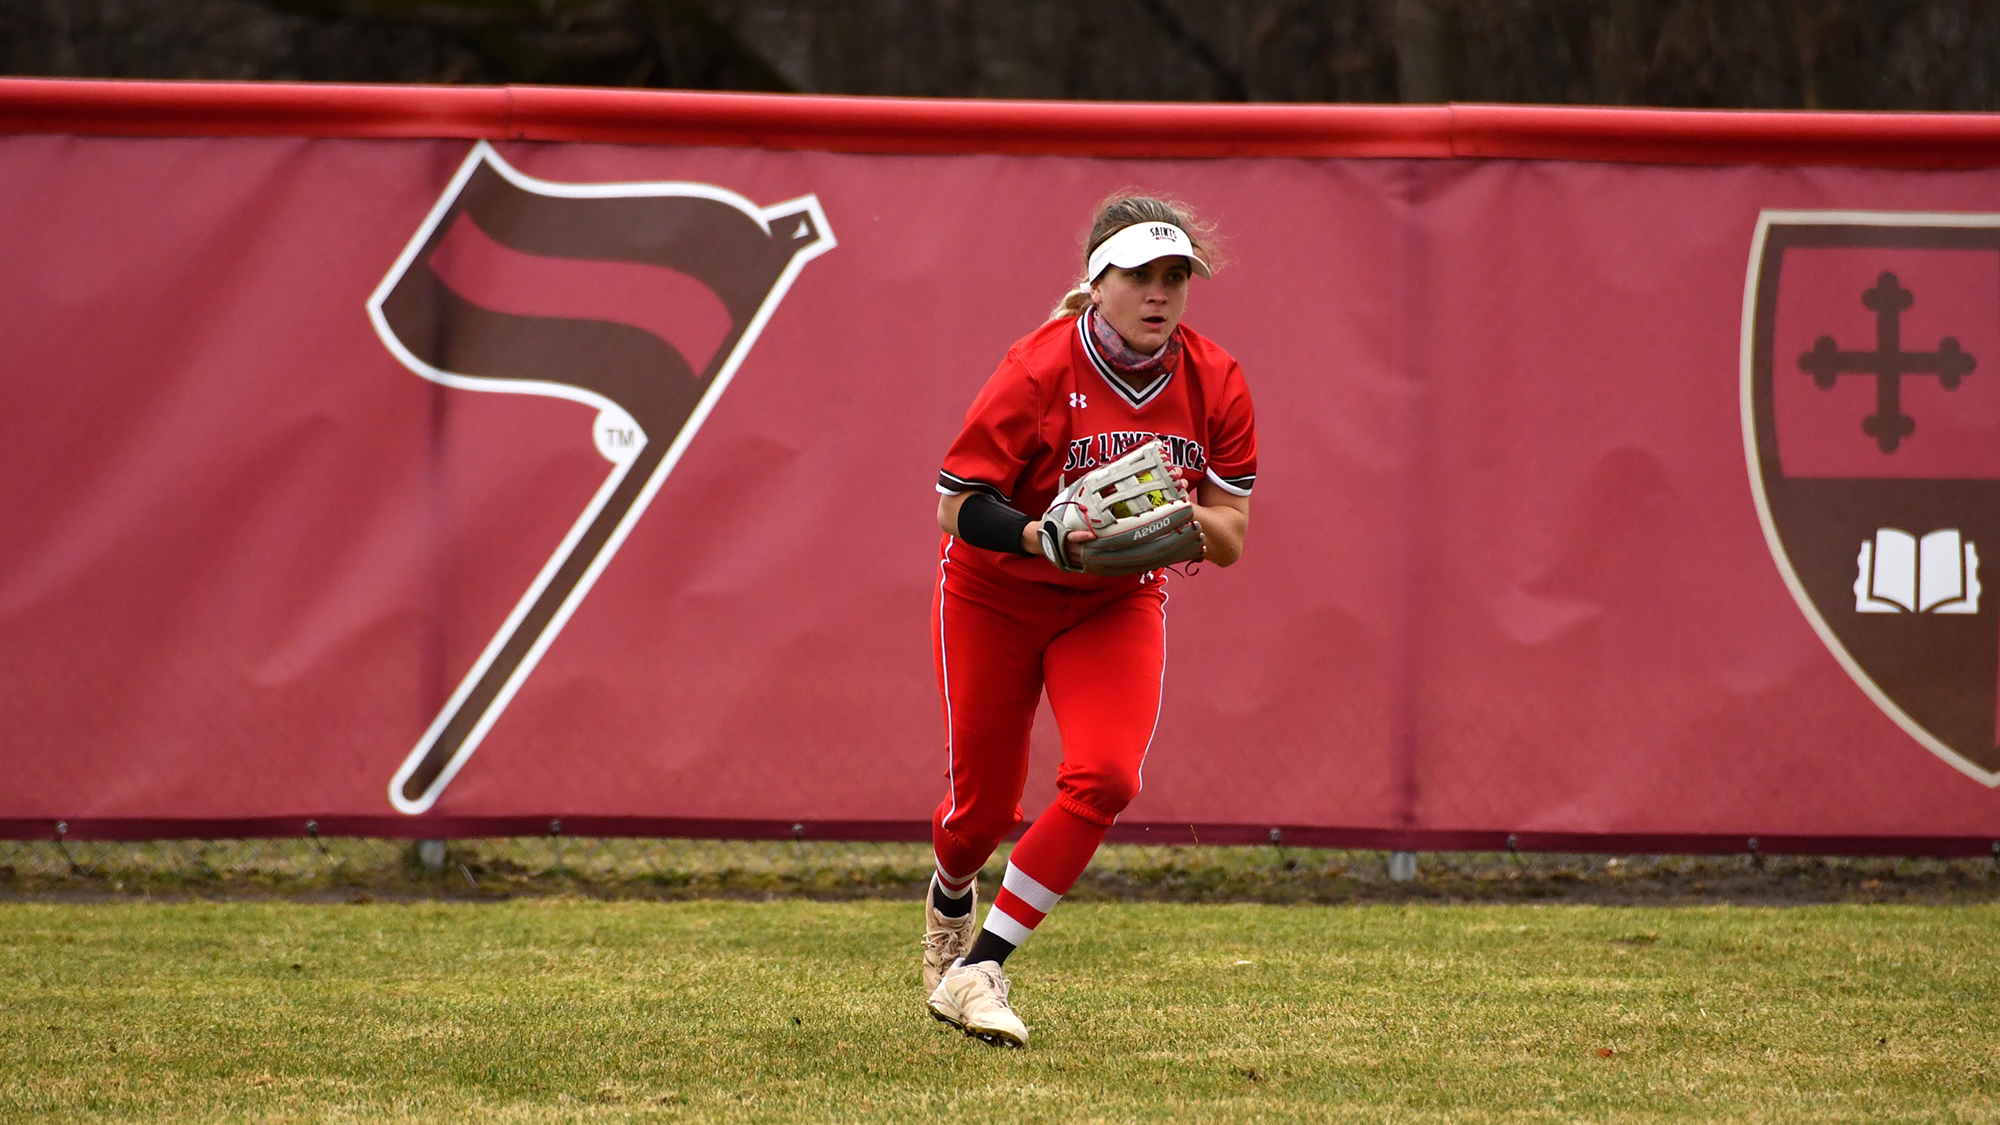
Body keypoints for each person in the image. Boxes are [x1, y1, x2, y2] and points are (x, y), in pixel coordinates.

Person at [922, 192, 1258, 1046]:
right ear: (1097, 282)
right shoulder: (1039, 367)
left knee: (1107, 776)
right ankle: (952, 887)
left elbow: (1231, 538)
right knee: (983, 812)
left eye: (1175, 276)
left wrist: (1180, 516)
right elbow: (954, 502)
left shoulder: (1214, 378)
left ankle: (981, 967)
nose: (1159, 293)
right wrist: (1040, 535)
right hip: (995, 592)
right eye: (1140, 275)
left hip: (1115, 598)